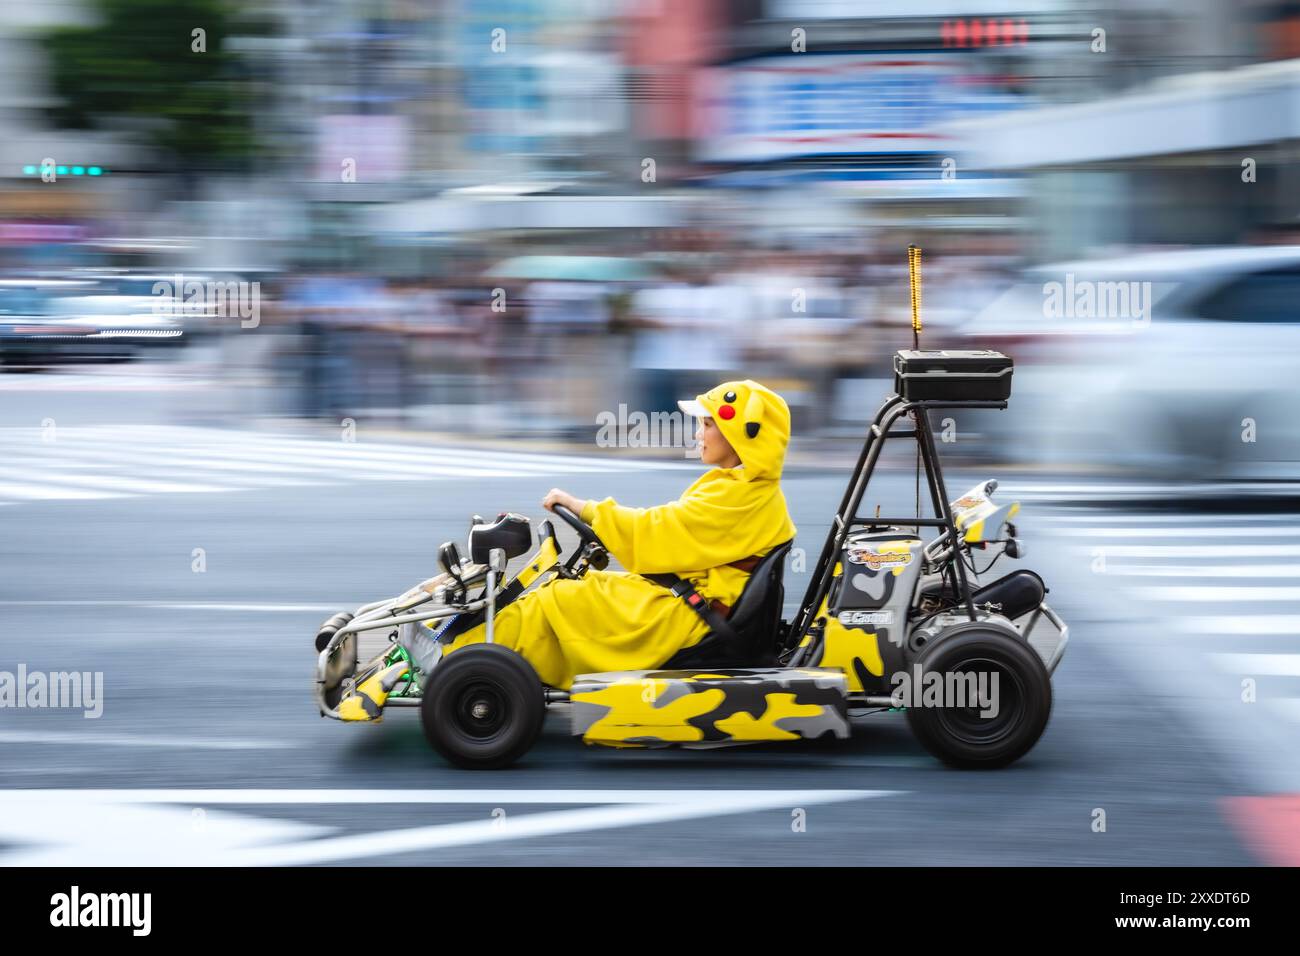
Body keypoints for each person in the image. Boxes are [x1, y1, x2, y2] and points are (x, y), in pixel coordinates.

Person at [440, 379, 797, 690]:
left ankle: (459, 661)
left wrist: (585, 509)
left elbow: (658, 530)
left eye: (707, 424)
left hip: (693, 618)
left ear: (741, 436)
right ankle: (470, 658)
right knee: (569, 590)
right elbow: (672, 532)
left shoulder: (739, 496)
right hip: (692, 602)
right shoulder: (745, 488)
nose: (697, 434)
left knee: (558, 601)